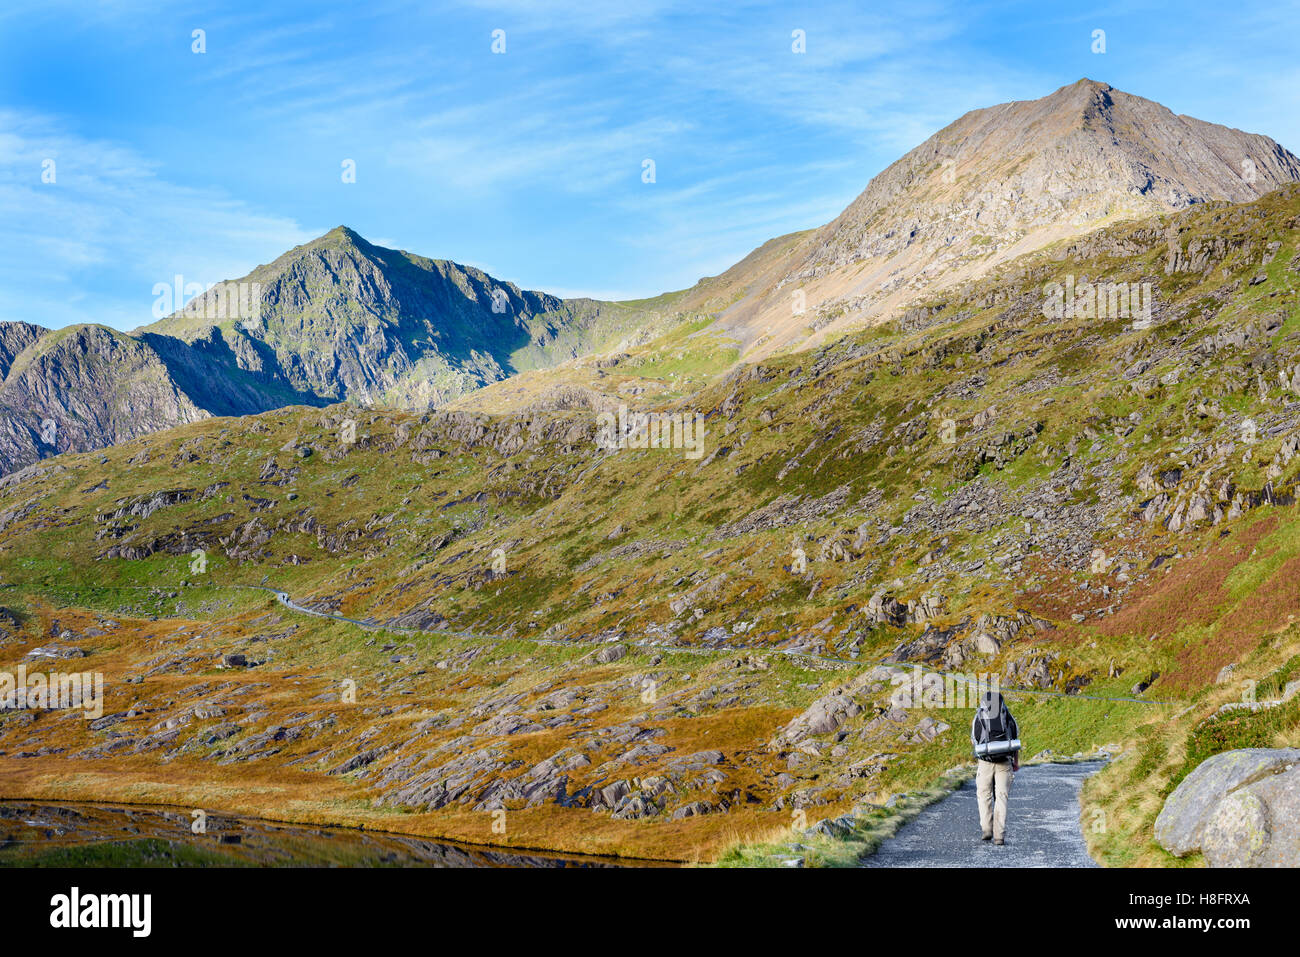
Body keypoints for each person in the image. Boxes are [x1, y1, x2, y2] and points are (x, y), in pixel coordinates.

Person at [971, 690, 1019, 845]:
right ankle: (999, 836)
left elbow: (975, 740)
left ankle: (986, 829)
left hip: (985, 762)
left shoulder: (979, 716)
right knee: (1001, 797)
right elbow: (1015, 740)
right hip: (1005, 761)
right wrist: (1016, 762)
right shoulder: (1008, 716)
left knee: (984, 795)